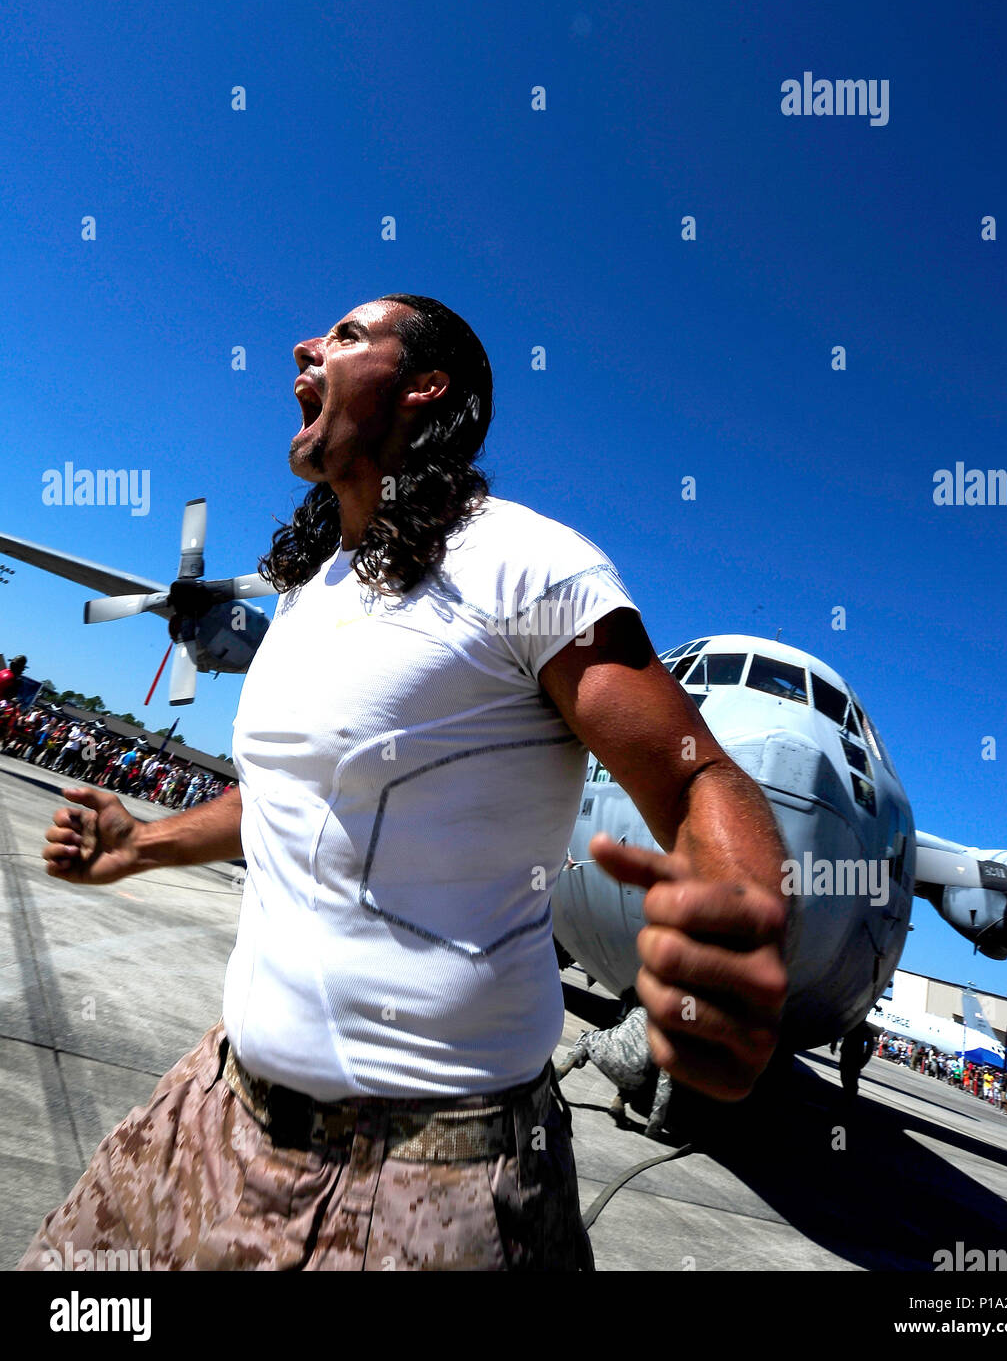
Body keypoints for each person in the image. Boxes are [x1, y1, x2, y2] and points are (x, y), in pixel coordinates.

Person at [19, 295, 789, 1272]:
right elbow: (287, 803)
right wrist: (144, 842)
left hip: (425, 1182)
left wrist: (739, 919)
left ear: (427, 387)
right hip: (215, 1107)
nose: (305, 343)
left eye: (345, 335)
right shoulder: (312, 591)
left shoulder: (531, 565)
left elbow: (695, 777)